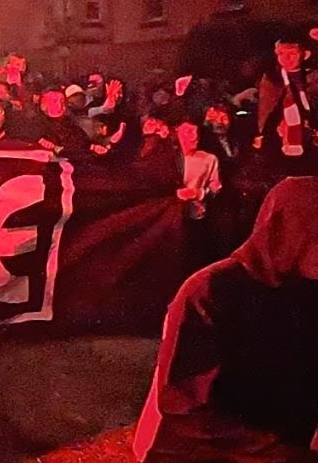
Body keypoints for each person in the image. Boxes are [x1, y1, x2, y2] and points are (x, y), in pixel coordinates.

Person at [133, 176, 318, 462]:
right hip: (208, 452)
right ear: (289, 229)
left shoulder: (307, 291)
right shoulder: (211, 290)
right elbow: (184, 405)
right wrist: (281, 452)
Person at [255, 37, 318, 178]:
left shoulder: (312, 77)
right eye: (281, 54)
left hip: (310, 142)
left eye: (292, 54)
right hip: (279, 142)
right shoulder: (272, 79)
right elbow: (266, 111)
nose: (286, 59)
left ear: (305, 54)